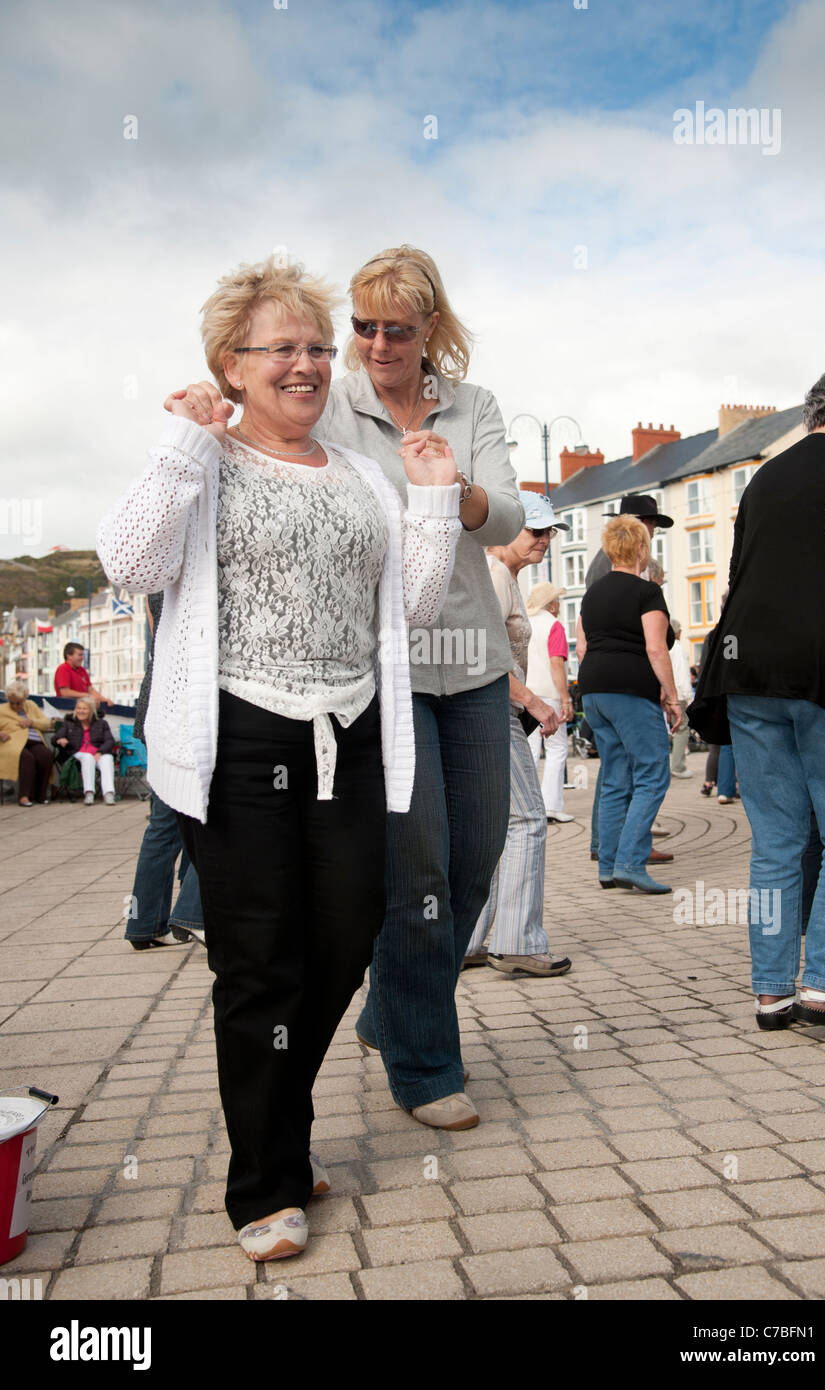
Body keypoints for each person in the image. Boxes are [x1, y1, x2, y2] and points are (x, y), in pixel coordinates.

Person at [100, 252, 462, 1262]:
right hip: (239, 735)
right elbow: (128, 562)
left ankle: (278, 1120)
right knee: (259, 963)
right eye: (280, 349)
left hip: (350, 734)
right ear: (231, 363)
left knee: (344, 938)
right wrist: (181, 442)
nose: (305, 365)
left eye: (314, 347)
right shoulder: (202, 460)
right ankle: (265, 1180)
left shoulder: (357, 473)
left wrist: (431, 499)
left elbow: (413, 608)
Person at [168, 243, 521, 1133]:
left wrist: (453, 492)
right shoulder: (326, 402)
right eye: (358, 327)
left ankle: (389, 1006)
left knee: (475, 860)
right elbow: (281, 483)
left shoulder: (470, 405)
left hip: (471, 655)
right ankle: (424, 1062)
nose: (371, 344)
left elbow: (510, 516)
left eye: (393, 328)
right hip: (384, 674)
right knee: (417, 871)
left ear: (429, 328)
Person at [689, 353, 825, 1032]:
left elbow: (739, 575)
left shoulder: (764, 477)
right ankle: (824, 984)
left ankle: (771, 992)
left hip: (750, 670)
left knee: (774, 841)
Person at [464, 494, 572, 977]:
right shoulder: (493, 574)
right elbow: (483, 658)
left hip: (490, 712)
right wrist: (533, 700)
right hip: (495, 711)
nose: (545, 540)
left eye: (550, 532)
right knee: (527, 820)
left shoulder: (501, 575)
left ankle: (468, 940)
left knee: (496, 827)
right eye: (536, 531)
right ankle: (517, 942)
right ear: (507, 527)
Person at [576, 514, 681, 893]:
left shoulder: (593, 593)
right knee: (653, 773)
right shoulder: (647, 591)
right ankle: (631, 862)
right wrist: (671, 695)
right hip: (630, 689)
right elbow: (656, 647)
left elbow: (583, 645)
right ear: (641, 548)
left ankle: (607, 866)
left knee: (616, 777)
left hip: (594, 690)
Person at [126, 593, 205, 951]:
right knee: (214, 815)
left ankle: (144, 923)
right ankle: (193, 915)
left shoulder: (154, 582)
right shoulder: (204, 563)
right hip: (189, 703)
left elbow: (158, 635)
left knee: (163, 825)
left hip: (158, 701)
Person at [526, 578, 576, 822]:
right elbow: (557, 664)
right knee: (557, 748)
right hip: (549, 694)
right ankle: (552, 805)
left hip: (527, 693)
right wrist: (565, 697)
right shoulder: (553, 626)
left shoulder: (525, 623)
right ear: (553, 605)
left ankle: (527, 804)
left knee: (531, 749)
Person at [53, 696, 116, 804]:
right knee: (87, 757)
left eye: (84, 709)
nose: (80, 711)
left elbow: (110, 741)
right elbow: (55, 738)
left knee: (107, 758)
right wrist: (60, 739)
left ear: (91, 711)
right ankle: (89, 792)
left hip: (97, 752)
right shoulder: (69, 723)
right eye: (79, 708)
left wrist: (100, 752)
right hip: (77, 752)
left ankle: (109, 793)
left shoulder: (101, 723)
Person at [0, 681, 54, 806]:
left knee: (46, 755)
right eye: (12, 702)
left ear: (24, 699)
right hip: (12, 743)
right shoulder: (1, 710)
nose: (15, 706)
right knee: (27, 758)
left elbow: (46, 723)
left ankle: (40, 795)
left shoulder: (31, 705)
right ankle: (24, 796)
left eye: (18, 703)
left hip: (33, 740)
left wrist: (31, 722)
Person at [669, 620, 694, 778]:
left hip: (670, 693)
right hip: (679, 694)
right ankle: (678, 766)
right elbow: (683, 674)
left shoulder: (667, 648)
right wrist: (689, 696)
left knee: (674, 729)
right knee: (682, 729)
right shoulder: (678, 649)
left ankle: (675, 764)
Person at [53, 642, 112, 707]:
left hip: (84, 707)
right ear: (69, 656)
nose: (82, 658)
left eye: (83, 655)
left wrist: (104, 699)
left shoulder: (82, 670)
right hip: (68, 707)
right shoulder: (63, 669)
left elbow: (90, 690)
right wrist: (87, 696)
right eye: (80, 655)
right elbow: (65, 693)